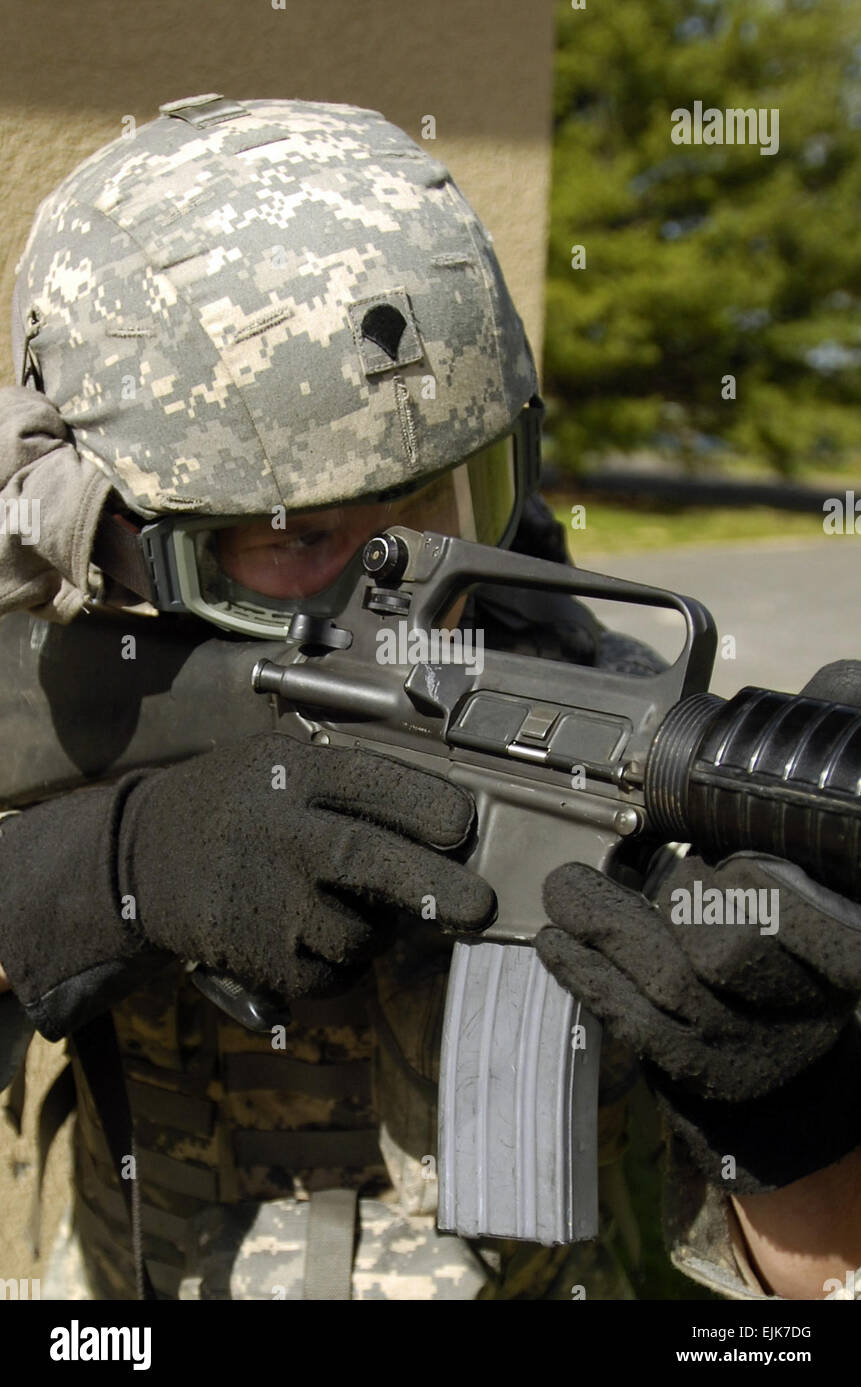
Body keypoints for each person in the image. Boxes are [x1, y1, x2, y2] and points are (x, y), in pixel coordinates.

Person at [0, 95, 858, 1302]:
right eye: (297, 536)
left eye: (443, 497)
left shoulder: (615, 735)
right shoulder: (65, 699)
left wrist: (789, 1122)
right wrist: (112, 866)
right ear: (119, 542)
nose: (409, 586)